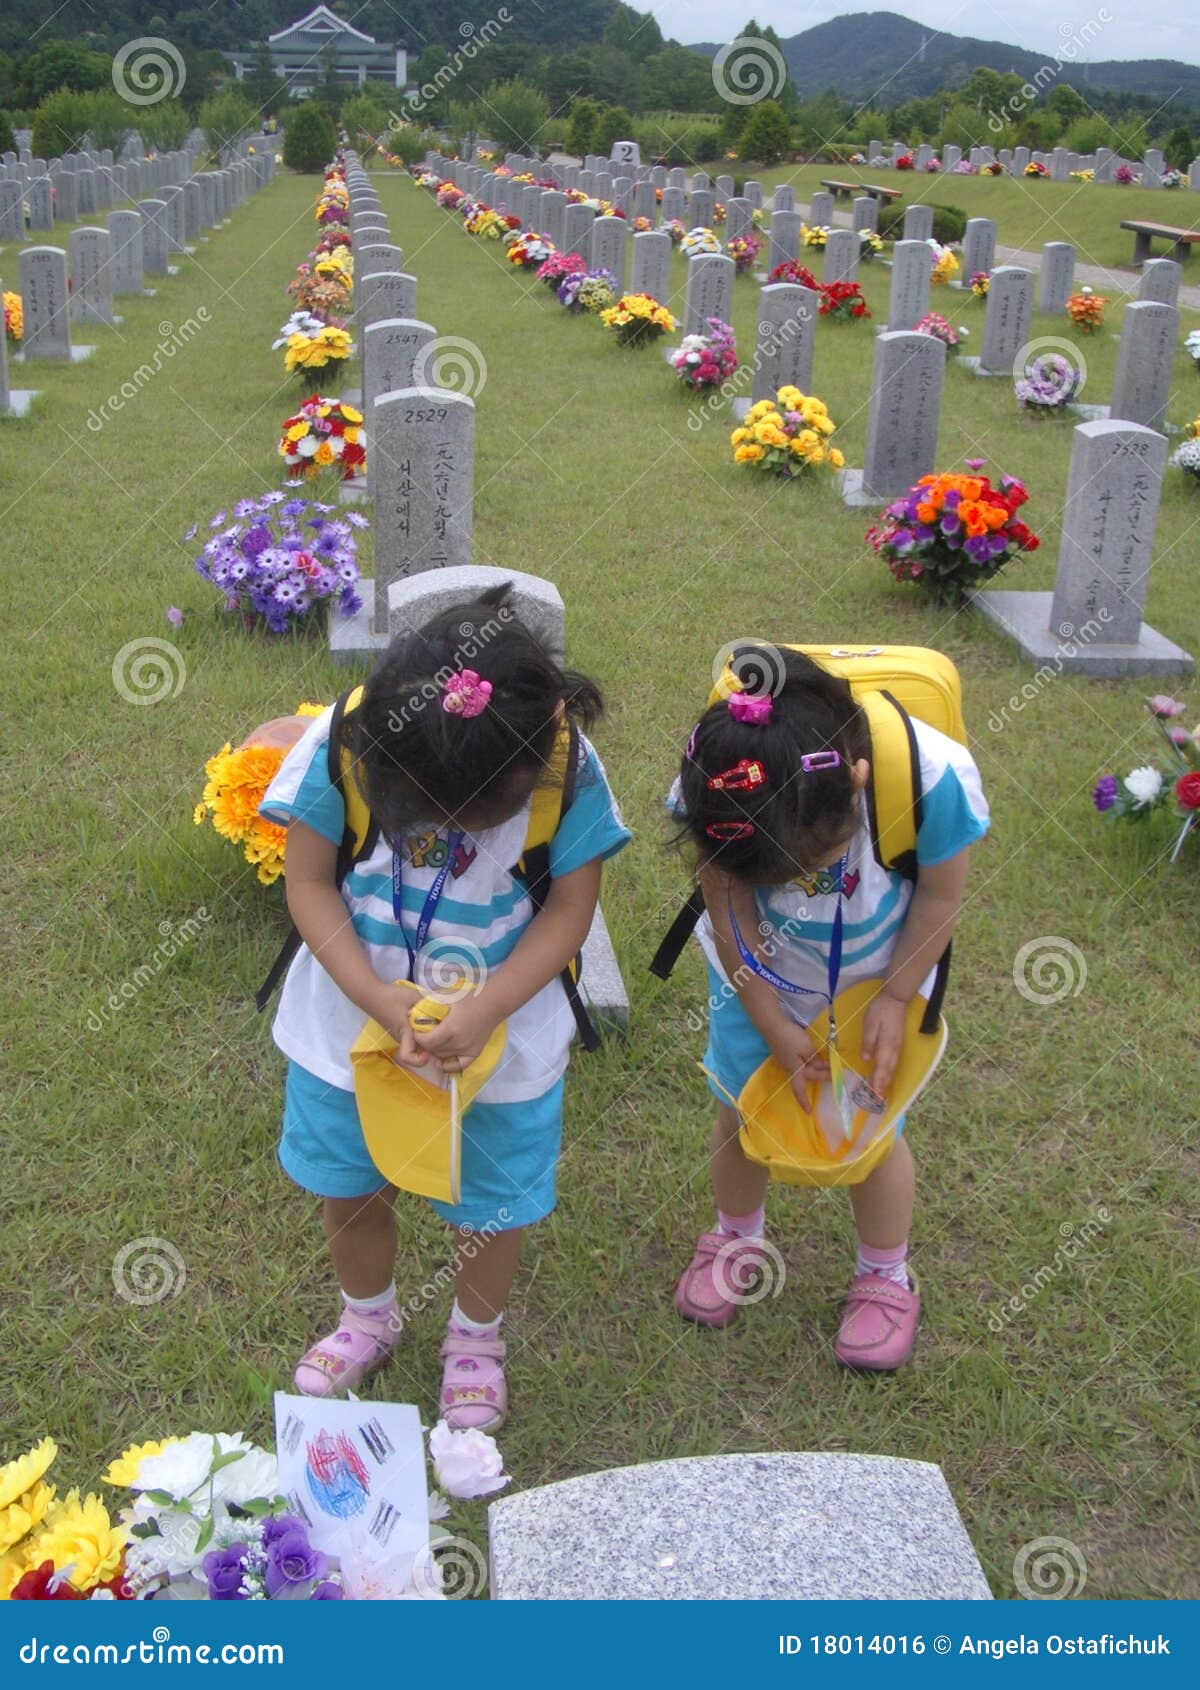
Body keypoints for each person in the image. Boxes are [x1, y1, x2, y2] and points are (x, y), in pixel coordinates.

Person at [258, 585, 629, 1427]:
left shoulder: (566, 769)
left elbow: (570, 910)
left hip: (501, 1032)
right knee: (349, 1183)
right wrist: (378, 1001)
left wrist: (491, 1006)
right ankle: (368, 1315)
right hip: (348, 1022)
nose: (454, 828)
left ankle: (475, 1338)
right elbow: (310, 881)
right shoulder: (342, 743)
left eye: (477, 816)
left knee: (492, 1200)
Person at [670, 648, 987, 1369]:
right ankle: (736, 1235)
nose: (790, 881)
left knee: (872, 1131)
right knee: (740, 1107)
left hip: (877, 980)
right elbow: (727, 903)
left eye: (807, 862)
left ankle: (883, 1274)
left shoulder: (927, 779)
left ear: (856, 783)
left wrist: (897, 994)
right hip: (762, 976)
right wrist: (770, 1019)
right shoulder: (722, 782)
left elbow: (940, 897)